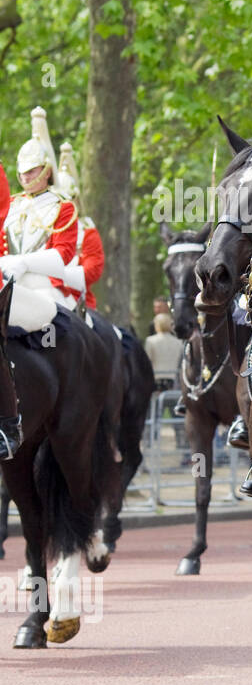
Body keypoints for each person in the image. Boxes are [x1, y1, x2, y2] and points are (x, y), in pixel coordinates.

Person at [0, 108, 76, 455]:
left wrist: (22, 262)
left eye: (32, 170)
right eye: (22, 171)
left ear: (46, 171)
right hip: (8, 283)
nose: (25, 176)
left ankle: (7, 423)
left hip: (42, 290)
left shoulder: (62, 207)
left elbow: (62, 258)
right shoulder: (11, 206)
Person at [52, 142, 105, 309]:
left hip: (78, 300)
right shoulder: (43, 226)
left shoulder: (87, 232)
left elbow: (92, 270)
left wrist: (53, 274)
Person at [145, 312, 184, 389]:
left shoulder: (150, 341)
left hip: (156, 378)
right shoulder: (179, 342)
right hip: (174, 378)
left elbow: (147, 362)